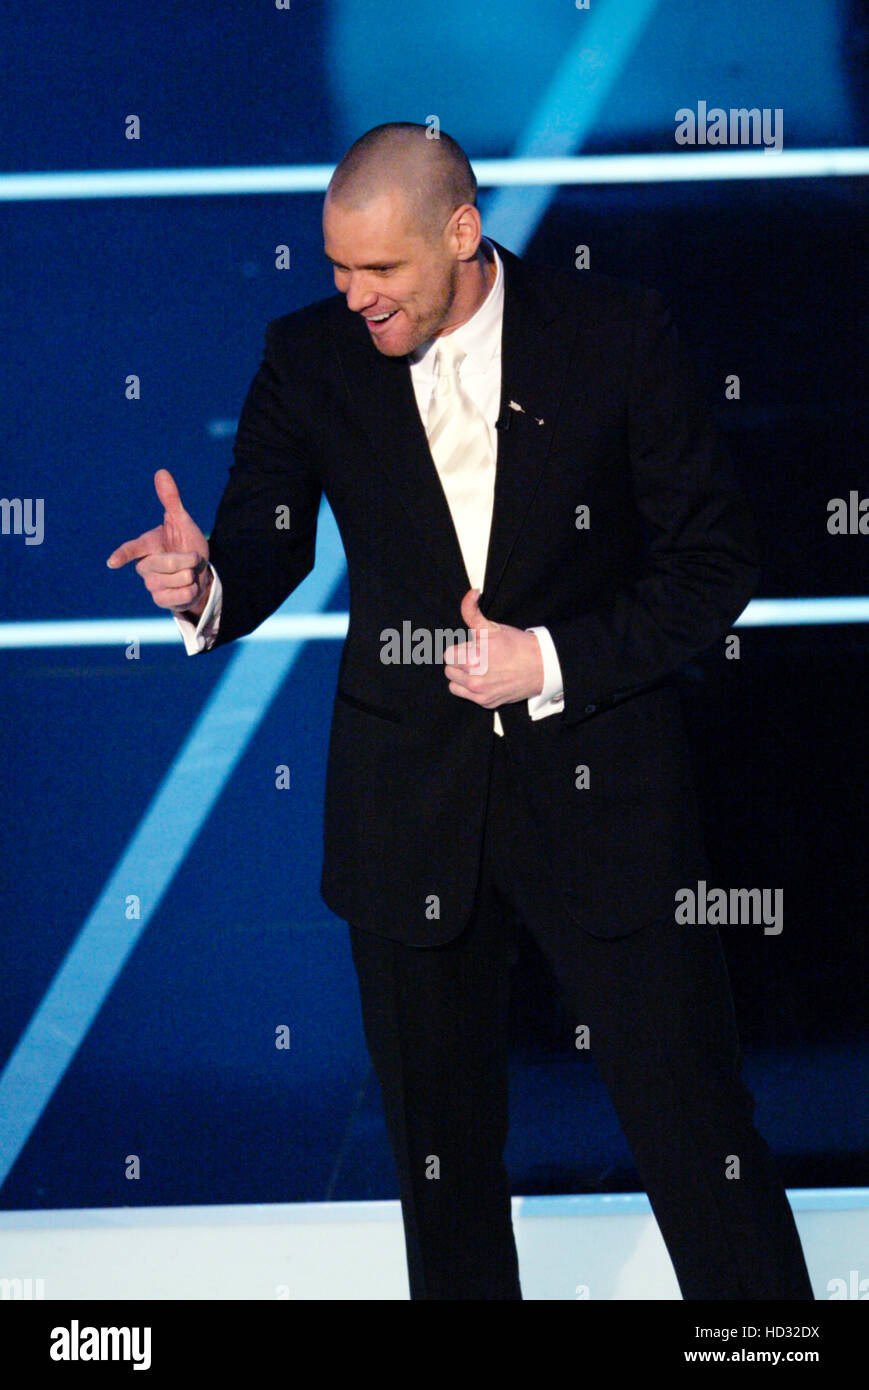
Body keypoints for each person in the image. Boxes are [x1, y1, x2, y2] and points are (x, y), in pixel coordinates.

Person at [108, 122, 813, 1301]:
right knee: (442, 1170)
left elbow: (711, 563)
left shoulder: (614, 335)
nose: (355, 298)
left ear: (461, 232)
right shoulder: (310, 357)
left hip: (601, 794)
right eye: (337, 271)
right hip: (408, 810)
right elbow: (263, 546)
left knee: (698, 1131)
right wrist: (207, 581)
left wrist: (543, 658)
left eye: (379, 272)